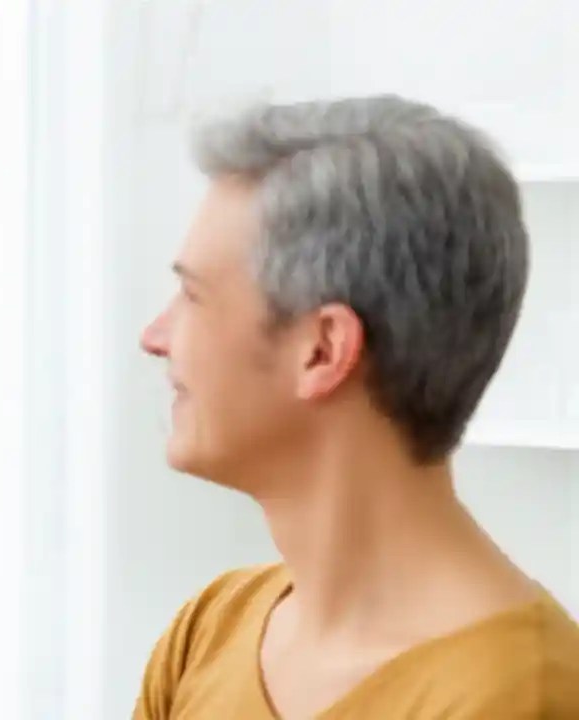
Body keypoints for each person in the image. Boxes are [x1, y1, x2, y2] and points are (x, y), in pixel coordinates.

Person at [133, 95, 579, 718]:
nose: (154, 336)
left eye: (193, 296)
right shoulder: (209, 630)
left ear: (322, 350)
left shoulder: (518, 697)